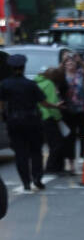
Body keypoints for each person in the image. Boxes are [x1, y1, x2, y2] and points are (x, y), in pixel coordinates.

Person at [0, 54, 45, 191]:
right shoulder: (31, 84)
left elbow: (2, 103)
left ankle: (26, 182)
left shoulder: (5, 84)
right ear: (24, 67)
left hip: (14, 121)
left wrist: (4, 116)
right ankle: (37, 177)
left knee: (20, 153)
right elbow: (42, 100)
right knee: (35, 150)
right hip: (32, 120)